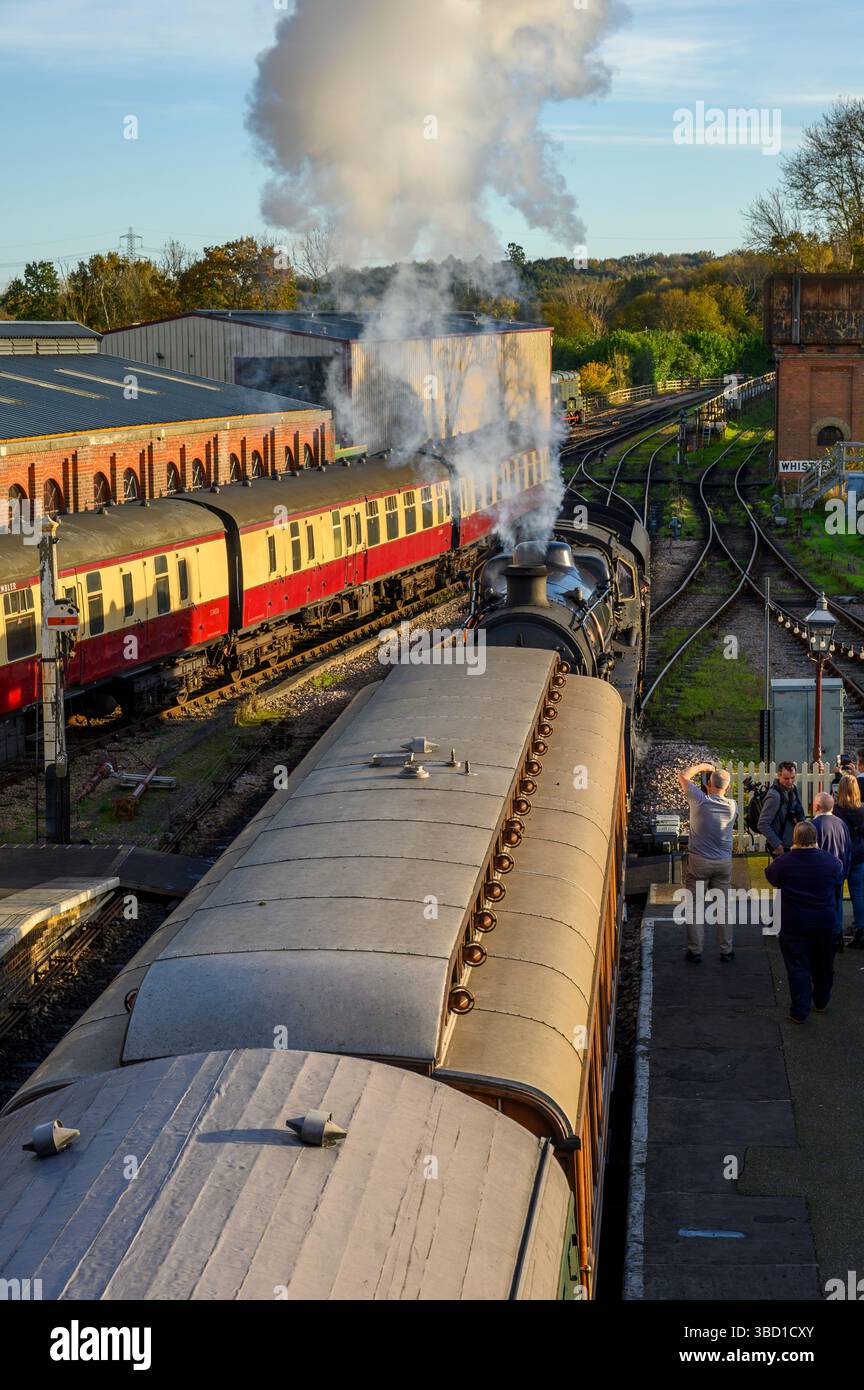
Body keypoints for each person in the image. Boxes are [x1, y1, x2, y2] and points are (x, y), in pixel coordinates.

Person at [764, 821, 843, 1023]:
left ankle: (800, 1010)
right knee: (823, 964)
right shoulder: (831, 862)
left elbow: (771, 876)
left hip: (794, 923)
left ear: (795, 840)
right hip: (824, 922)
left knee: (797, 967)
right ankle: (821, 1000)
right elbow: (837, 881)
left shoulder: (784, 862)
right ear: (815, 839)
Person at [677, 760, 737, 963]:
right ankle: (726, 950)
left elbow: (683, 775)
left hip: (699, 862)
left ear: (708, 784)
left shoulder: (699, 801)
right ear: (728, 788)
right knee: (723, 907)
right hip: (723, 863)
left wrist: (704, 766)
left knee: (694, 906)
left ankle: (695, 951)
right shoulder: (732, 806)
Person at [812, 791, 850, 948]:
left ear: (817, 806)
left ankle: (825, 938)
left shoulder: (814, 826)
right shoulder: (841, 824)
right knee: (837, 904)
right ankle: (837, 935)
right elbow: (848, 849)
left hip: (820, 874)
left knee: (821, 906)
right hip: (839, 872)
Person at [834, 774, 864, 949]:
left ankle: (836, 932)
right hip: (859, 854)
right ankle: (860, 929)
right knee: (858, 894)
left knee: (836, 894)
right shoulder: (861, 811)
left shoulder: (837, 811)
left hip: (841, 855)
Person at [757, 761, 806, 857]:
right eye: (786, 778)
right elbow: (762, 824)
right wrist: (777, 845)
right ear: (779, 776)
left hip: (793, 844)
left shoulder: (792, 789)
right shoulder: (774, 796)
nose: (790, 782)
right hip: (782, 847)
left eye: (793, 778)